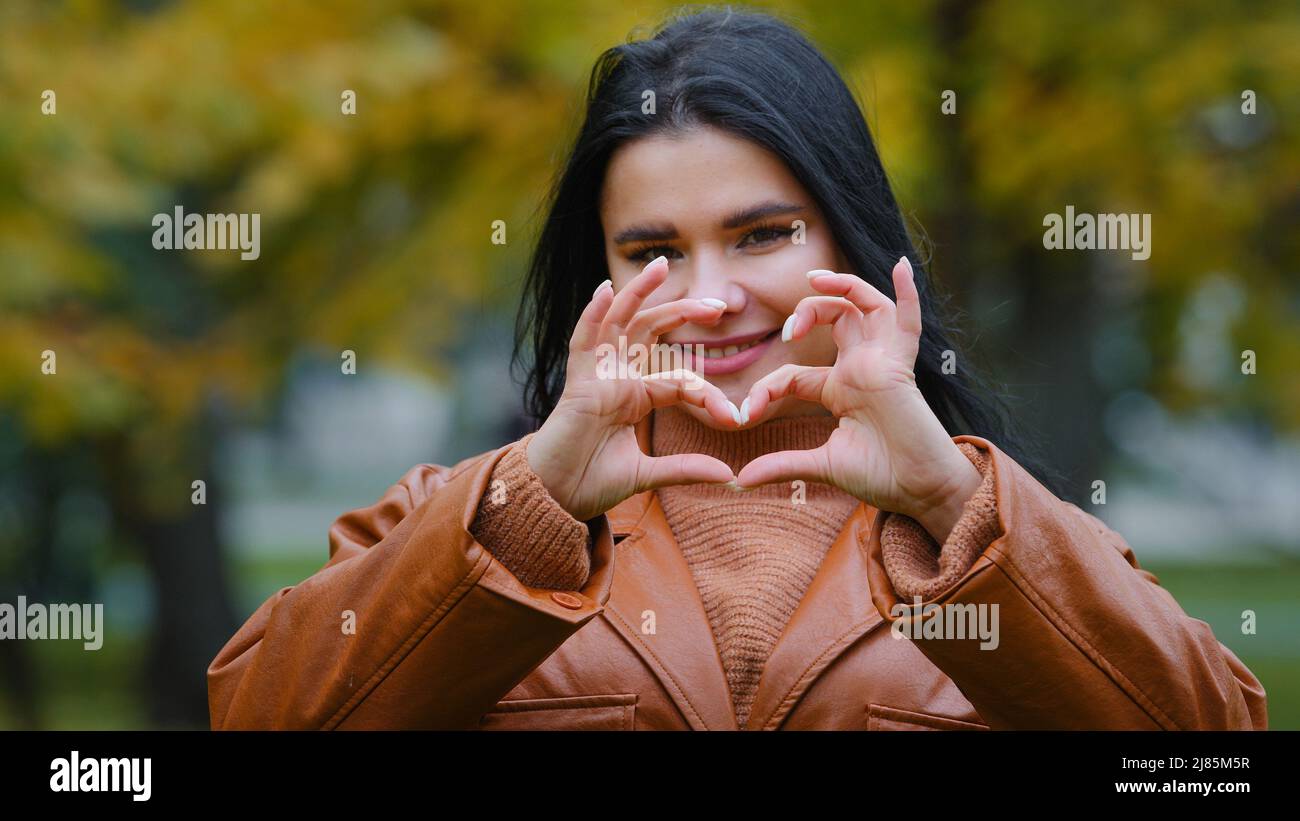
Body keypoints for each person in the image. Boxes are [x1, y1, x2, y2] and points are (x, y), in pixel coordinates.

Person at [207, 8, 1267, 730]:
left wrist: (948, 495)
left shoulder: (984, 525)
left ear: (849, 238)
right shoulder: (470, 519)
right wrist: (535, 503)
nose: (707, 294)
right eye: (653, 249)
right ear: (603, 273)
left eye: (762, 233)